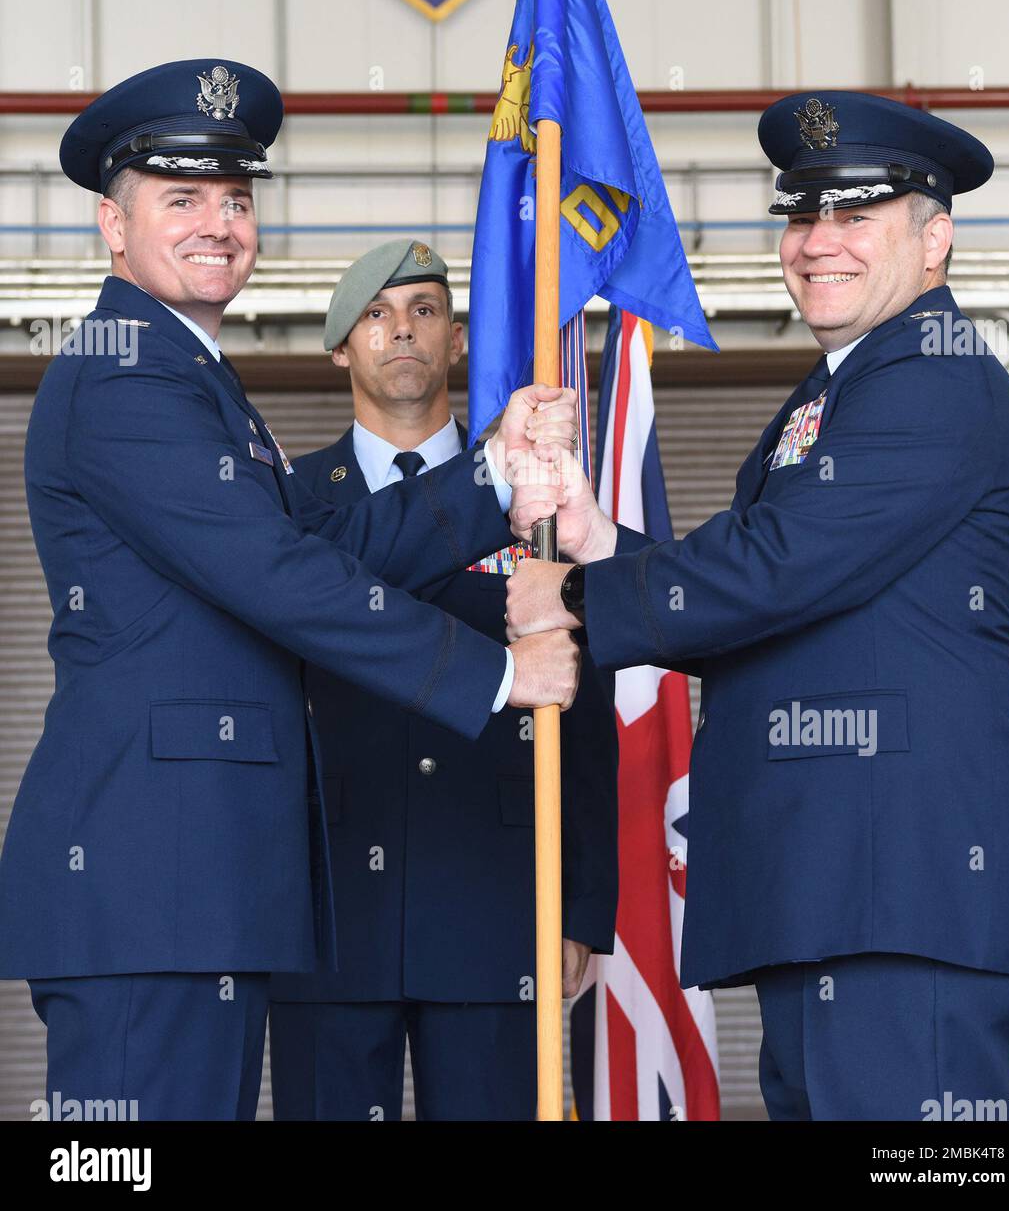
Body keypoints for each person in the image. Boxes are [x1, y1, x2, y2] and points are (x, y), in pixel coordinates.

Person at [0, 59, 580, 1121]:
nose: (219, 222)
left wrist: (497, 473)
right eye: (182, 198)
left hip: (194, 885)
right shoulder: (128, 376)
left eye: (235, 198)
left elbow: (322, 537)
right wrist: (499, 673)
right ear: (110, 225)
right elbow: (278, 576)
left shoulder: (193, 378)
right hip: (149, 883)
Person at [505, 90, 1009, 1121]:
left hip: (904, 899)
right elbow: (773, 598)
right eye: (801, 217)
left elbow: (781, 563)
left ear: (933, 240)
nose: (816, 243)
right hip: (830, 896)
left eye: (854, 216)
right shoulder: (831, 390)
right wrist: (594, 537)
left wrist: (573, 597)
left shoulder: (934, 381)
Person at [268, 239, 618, 1120]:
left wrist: (581, 901)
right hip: (329, 901)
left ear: (456, 340)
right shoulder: (288, 499)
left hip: (495, 893)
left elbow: (586, 701)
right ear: (340, 347)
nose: (401, 332)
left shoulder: (536, 498)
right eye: (375, 315)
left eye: (423, 310)